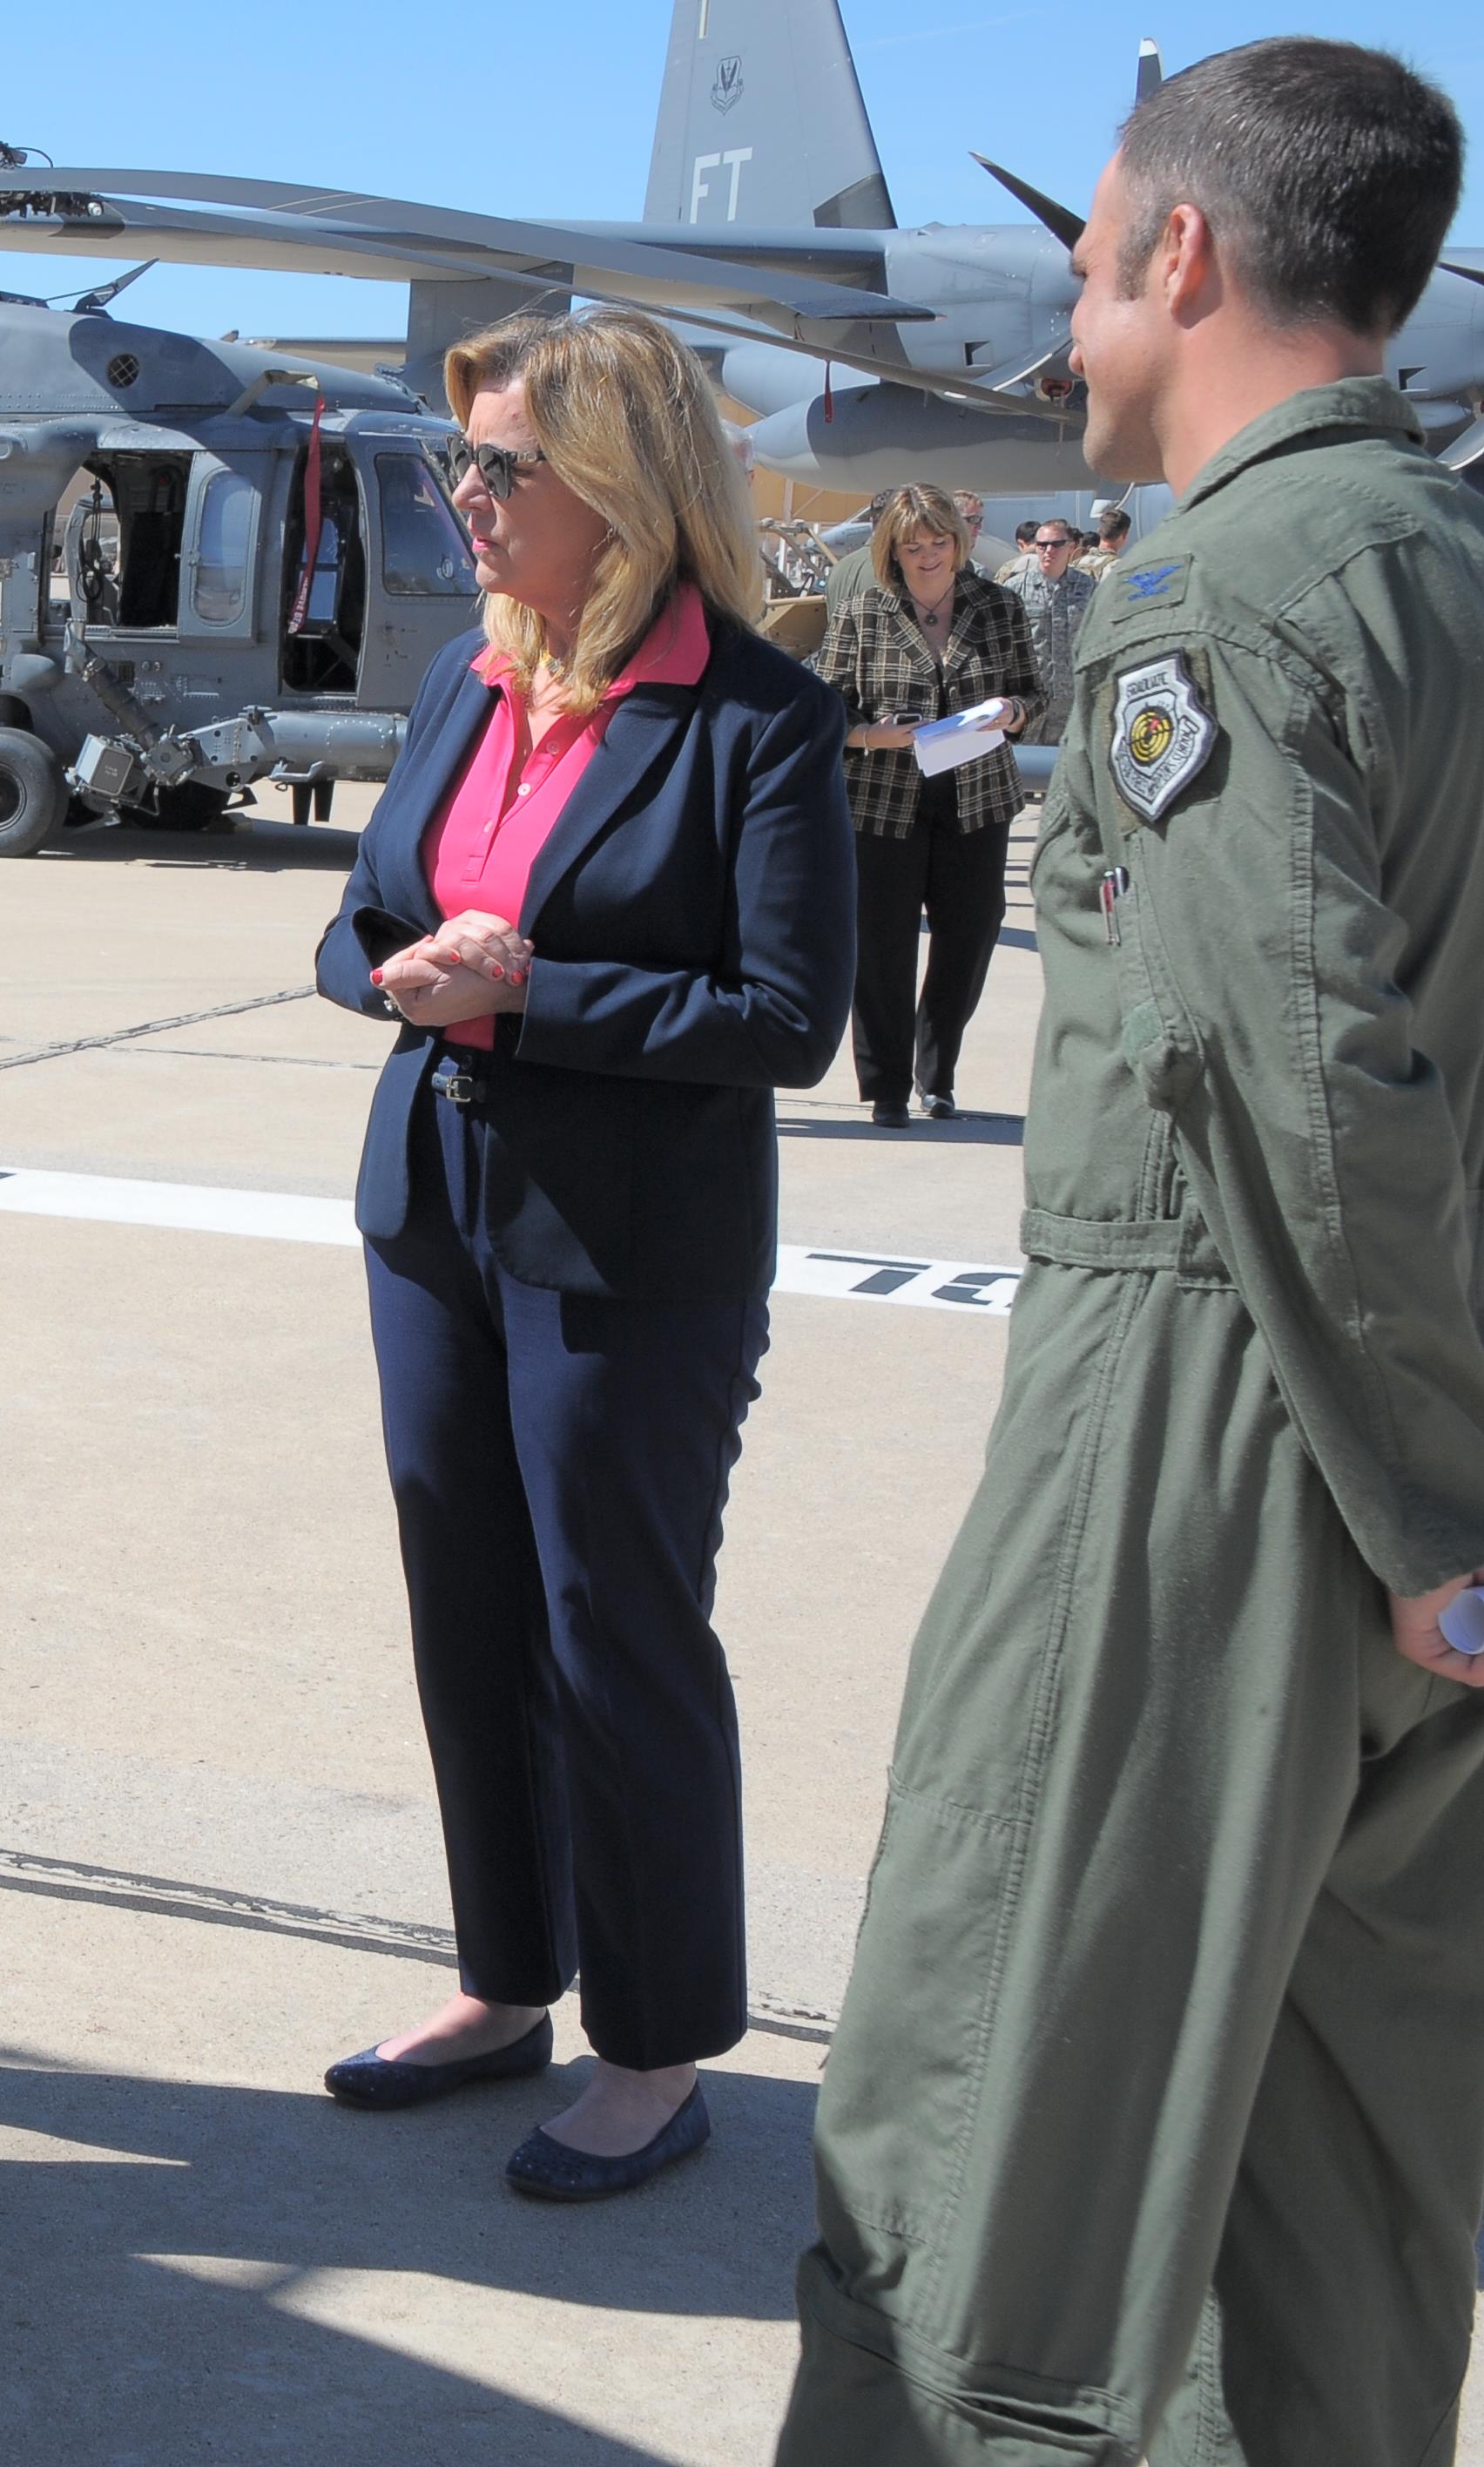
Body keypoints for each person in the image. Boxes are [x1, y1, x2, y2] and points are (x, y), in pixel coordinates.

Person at [780, 42, 1484, 2466]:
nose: (1071, 327)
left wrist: (1428, 1521)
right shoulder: (1448, 573)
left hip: (1223, 1442)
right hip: (1421, 1463)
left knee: (988, 2126)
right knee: (1341, 2174)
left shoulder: (1209, 601)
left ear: (1184, 257)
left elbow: (1301, 1079)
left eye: (1086, 269)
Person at [311, 306, 854, 2203]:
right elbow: (360, 914)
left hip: (631, 1243)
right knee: (464, 1605)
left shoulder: (754, 719)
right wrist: (397, 974)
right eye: (461, 462)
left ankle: (652, 2044)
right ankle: (500, 1978)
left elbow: (786, 1018)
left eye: (496, 467)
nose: (461, 496)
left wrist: (530, 994)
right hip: (435, 1205)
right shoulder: (468, 678)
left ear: (612, 483)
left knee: (611, 1630)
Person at [815, 483, 1036, 1125]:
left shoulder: (998, 607)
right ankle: (885, 1085)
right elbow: (827, 709)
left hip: (977, 798)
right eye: (915, 546)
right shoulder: (863, 613)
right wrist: (870, 735)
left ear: (959, 542)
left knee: (968, 939)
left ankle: (937, 1075)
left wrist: (1011, 713)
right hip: (885, 800)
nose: (930, 556)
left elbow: (1033, 694)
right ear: (894, 550)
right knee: (882, 947)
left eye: (940, 542)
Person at [1006, 517, 1096, 741]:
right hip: (1029, 700)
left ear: (1071, 547)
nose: (1048, 550)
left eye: (1056, 544)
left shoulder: (1088, 588)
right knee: (1025, 765)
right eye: (1042, 545)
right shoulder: (1014, 590)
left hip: (1071, 700)